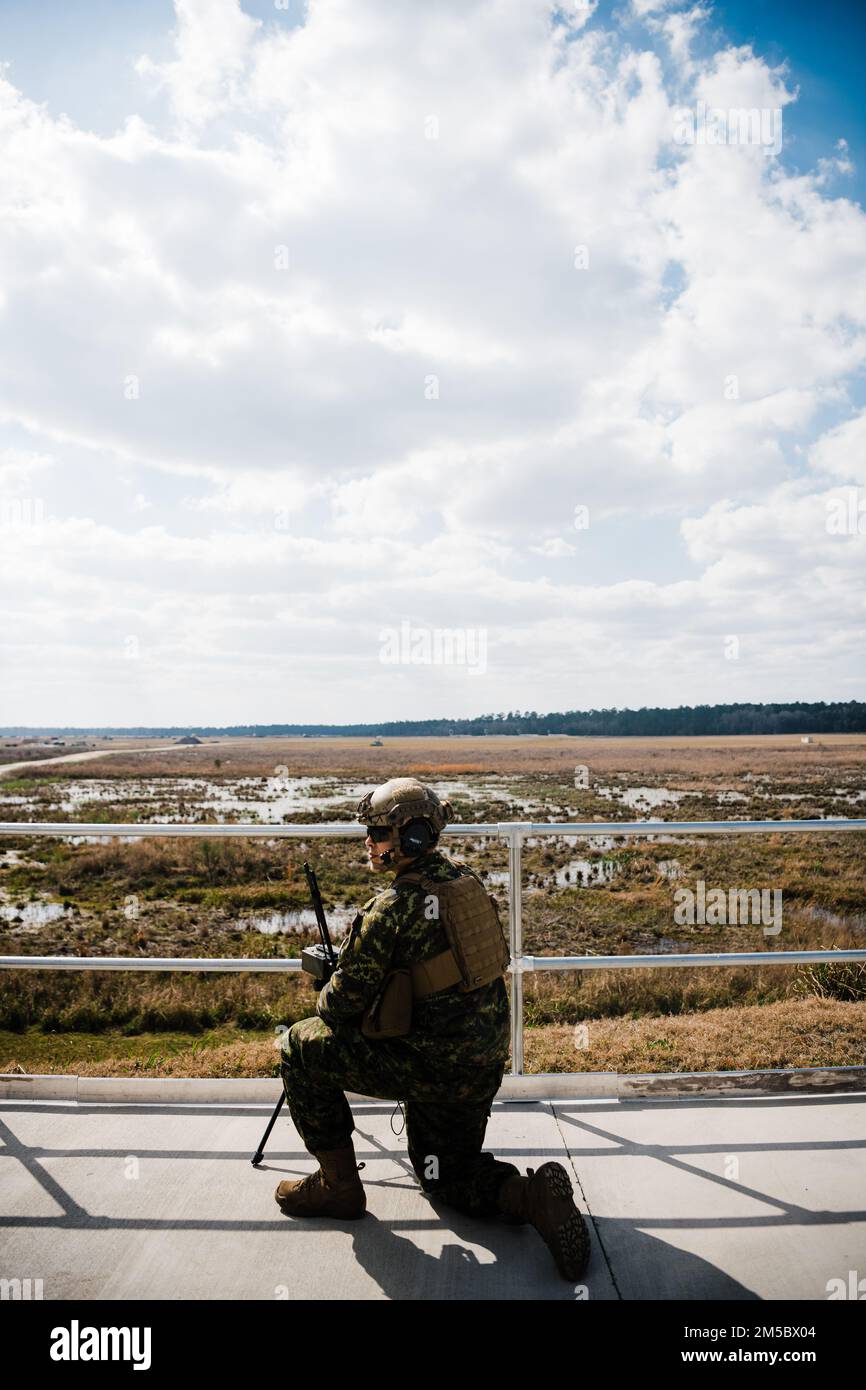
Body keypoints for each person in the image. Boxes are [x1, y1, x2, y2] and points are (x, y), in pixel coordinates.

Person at [275, 776, 591, 1281]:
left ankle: (338, 1187)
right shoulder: (464, 883)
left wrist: (331, 977)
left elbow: (337, 1009)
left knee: (298, 1045)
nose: (369, 843)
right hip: (479, 1064)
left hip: (429, 1068)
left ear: (408, 839)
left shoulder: (392, 909)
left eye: (377, 833)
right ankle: (530, 1198)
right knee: (443, 1175)